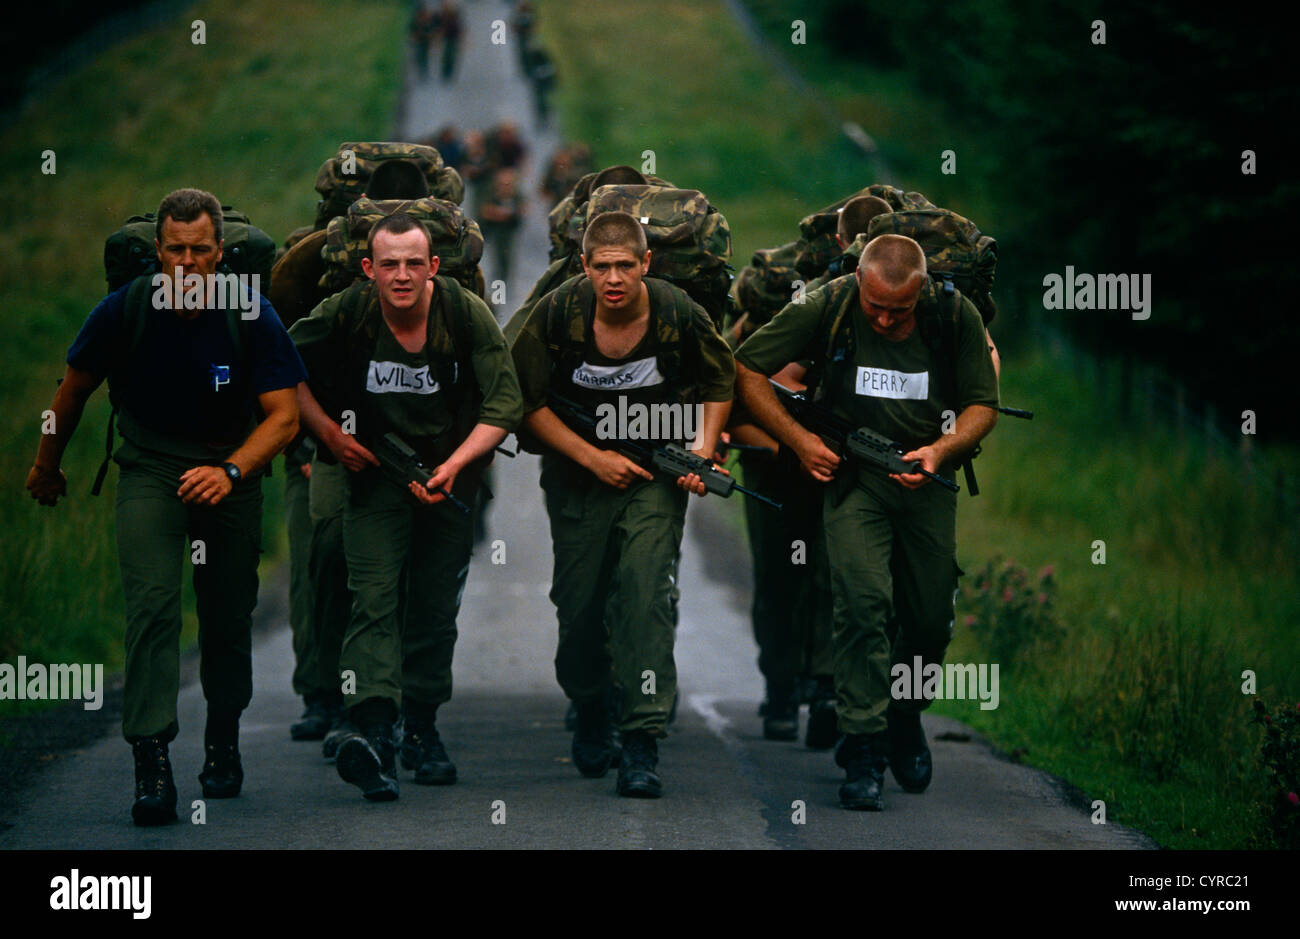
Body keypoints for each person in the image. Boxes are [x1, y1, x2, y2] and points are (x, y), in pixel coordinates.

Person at [26, 188, 305, 825]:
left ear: (220, 253)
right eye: (174, 250)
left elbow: (284, 417)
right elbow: (71, 392)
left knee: (227, 615)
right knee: (152, 605)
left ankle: (223, 739)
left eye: (200, 251)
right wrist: (46, 465)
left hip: (231, 468)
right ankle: (150, 758)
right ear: (157, 252)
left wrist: (231, 470)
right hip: (150, 465)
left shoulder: (250, 313)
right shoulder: (126, 307)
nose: (186, 263)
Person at [734, 234, 999, 810]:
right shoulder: (826, 304)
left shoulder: (953, 313)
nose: (883, 318)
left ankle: (902, 716)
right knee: (862, 603)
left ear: (921, 290)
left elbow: (983, 404)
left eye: (898, 309)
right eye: (875, 304)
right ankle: (862, 746)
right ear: (859, 281)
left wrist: (940, 451)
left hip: (926, 482)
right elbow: (748, 368)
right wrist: (801, 443)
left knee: (929, 621)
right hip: (855, 482)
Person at [289, 213, 521, 801]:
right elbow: (279, 367)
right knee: (373, 600)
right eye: (388, 264)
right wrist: (329, 436)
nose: (402, 275)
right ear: (368, 269)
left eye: (414, 263)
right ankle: (375, 735)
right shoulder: (348, 311)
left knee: (434, 608)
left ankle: (422, 727)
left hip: (449, 479)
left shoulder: (463, 313)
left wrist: (455, 466)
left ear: (434, 268)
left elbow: (504, 402)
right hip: (374, 481)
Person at [509, 211, 734, 798]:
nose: (614, 278)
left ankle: (641, 738)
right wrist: (590, 457)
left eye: (625, 267)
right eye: (602, 267)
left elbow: (719, 380)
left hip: (654, 478)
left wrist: (703, 452)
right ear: (584, 267)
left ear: (646, 265)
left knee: (644, 593)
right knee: (579, 608)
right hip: (578, 477)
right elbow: (524, 401)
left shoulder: (678, 312)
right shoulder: (558, 312)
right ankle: (590, 705)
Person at [478, 167, 524, 287]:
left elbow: (523, 210)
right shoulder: (491, 193)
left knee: (506, 259)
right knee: (494, 261)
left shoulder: (516, 195)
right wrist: (504, 214)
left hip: (509, 232)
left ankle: (502, 288)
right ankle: (497, 290)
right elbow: (485, 211)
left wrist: (503, 214)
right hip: (492, 232)